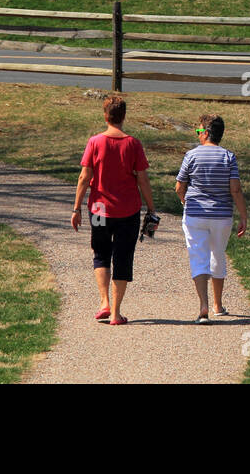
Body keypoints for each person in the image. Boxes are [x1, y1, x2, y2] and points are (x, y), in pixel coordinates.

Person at [72, 95, 155, 326]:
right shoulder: (133, 144)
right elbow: (143, 180)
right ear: (124, 116)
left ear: (105, 116)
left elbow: (84, 177)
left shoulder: (94, 142)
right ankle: (116, 314)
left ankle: (104, 302)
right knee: (123, 257)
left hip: (99, 210)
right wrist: (151, 206)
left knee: (101, 252)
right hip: (128, 212)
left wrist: (76, 207)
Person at [175, 114, 246, 324]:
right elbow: (235, 189)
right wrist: (243, 215)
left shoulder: (191, 156)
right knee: (218, 255)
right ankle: (218, 304)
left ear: (206, 133)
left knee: (199, 257)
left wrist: (184, 200)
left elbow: (180, 186)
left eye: (198, 131)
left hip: (195, 213)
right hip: (222, 215)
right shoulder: (229, 157)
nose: (197, 135)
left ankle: (203, 306)